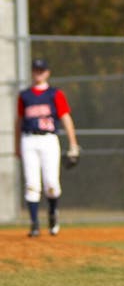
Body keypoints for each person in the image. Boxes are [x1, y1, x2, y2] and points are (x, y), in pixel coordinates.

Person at [15, 58, 80, 237]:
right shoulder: (24, 95)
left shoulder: (54, 94)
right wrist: (16, 145)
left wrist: (73, 144)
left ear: (48, 72)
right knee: (31, 184)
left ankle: (53, 213)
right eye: (36, 69)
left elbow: (65, 118)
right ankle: (34, 223)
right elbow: (19, 121)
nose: (38, 73)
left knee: (51, 183)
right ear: (32, 71)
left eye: (41, 70)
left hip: (49, 140)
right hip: (28, 140)